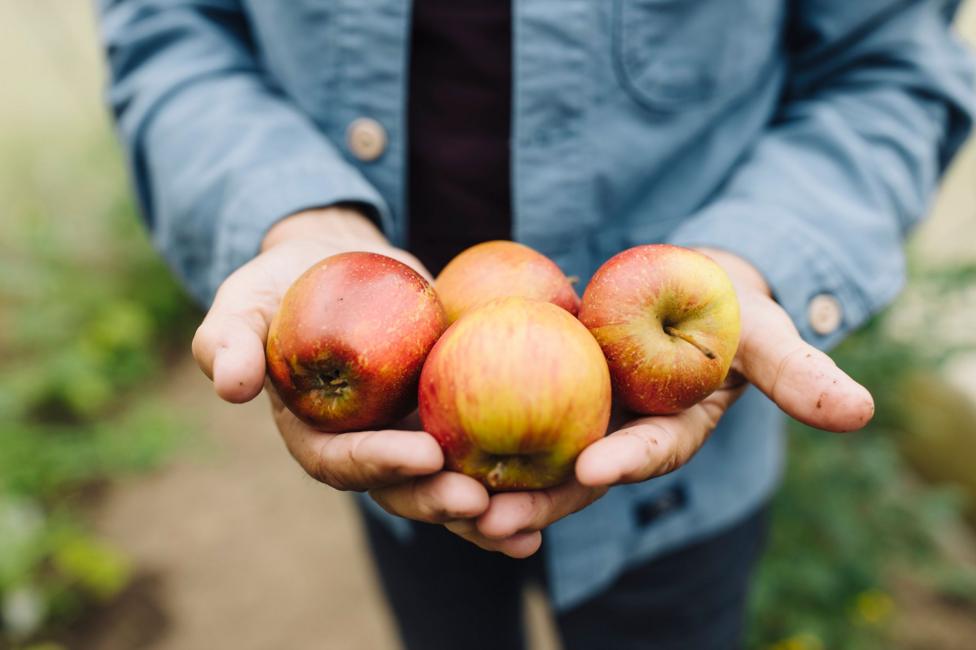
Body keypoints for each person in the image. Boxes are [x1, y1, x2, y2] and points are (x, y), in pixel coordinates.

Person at [97, 1, 974, 648]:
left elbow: (888, 64)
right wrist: (294, 216)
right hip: (394, 415)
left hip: (678, 481)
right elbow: (170, 26)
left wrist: (752, 261)